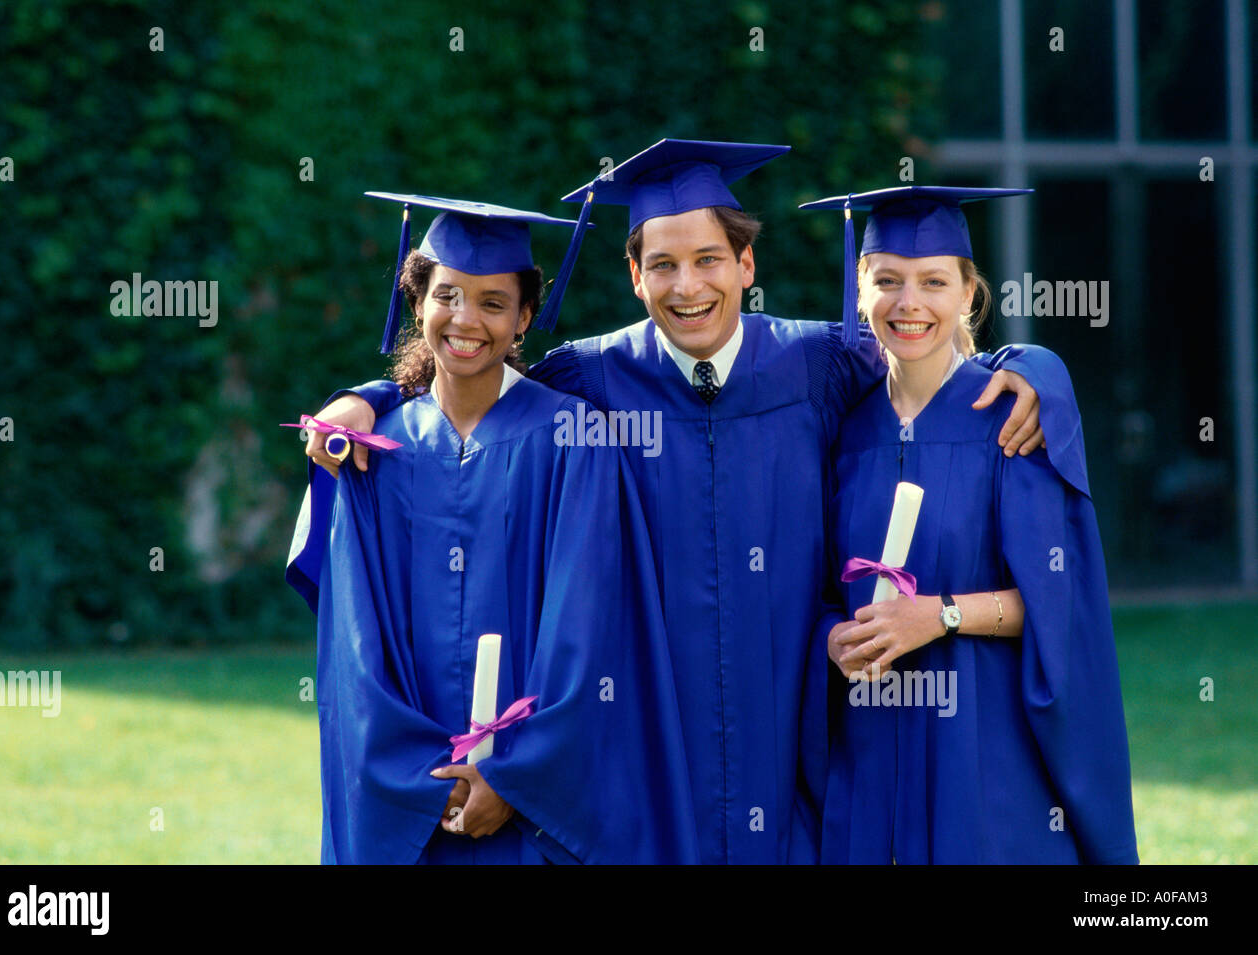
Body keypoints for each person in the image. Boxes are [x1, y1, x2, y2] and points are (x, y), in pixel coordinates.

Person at [302, 141, 1068, 864]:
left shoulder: (815, 364)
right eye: (663, 264)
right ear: (635, 276)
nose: (688, 285)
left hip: (787, 745)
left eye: (709, 260)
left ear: (746, 264)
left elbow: (921, 348)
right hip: (647, 747)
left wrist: (1032, 366)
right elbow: (470, 379)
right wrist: (364, 399)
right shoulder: (591, 380)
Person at [288, 194, 697, 864]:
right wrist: (423, 780)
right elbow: (352, 648)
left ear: (524, 317)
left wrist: (514, 775)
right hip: (414, 803)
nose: (467, 319)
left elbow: (591, 633)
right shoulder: (372, 452)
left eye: (493, 302)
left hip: (534, 811)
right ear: (418, 302)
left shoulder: (577, 442)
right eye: (448, 295)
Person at [798, 185, 1139, 863]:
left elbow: (1057, 598)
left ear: (968, 294)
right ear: (860, 291)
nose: (909, 303)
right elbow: (818, 592)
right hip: (869, 757)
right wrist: (834, 637)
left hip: (983, 758)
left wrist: (941, 614)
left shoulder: (1011, 418)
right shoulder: (842, 431)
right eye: (887, 281)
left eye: (933, 281)